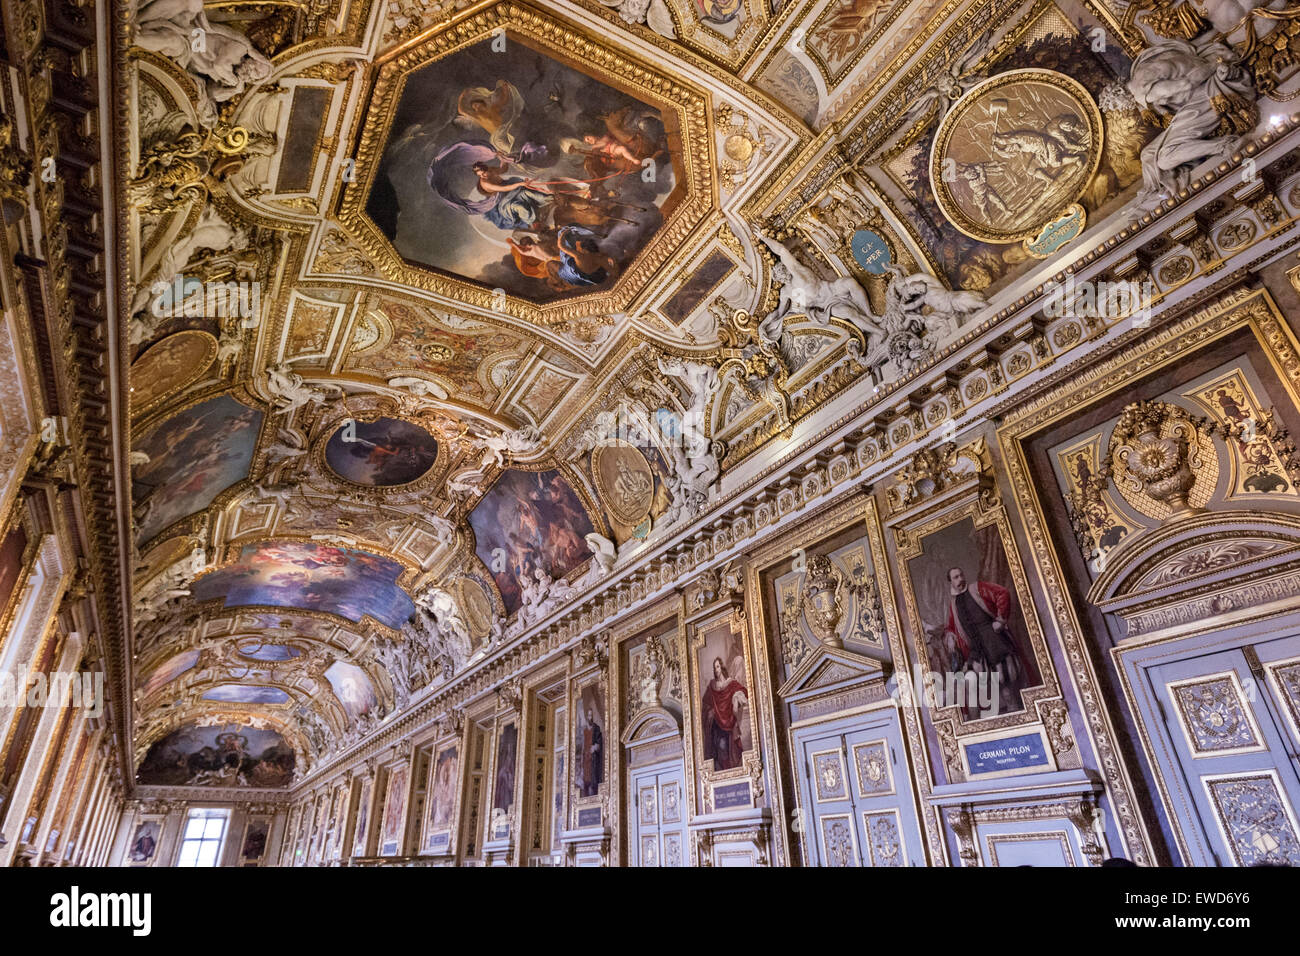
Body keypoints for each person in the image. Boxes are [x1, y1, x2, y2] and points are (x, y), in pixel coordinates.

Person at [943, 567, 1026, 714]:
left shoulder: (978, 588)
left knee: (1005, 681)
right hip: (976, 649)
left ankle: (1016, 711)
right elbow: (950, 626)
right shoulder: (953, 604)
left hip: (994, 641)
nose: (960, 579)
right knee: (982, 683)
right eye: (956, 577)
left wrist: (1000, 620)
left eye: (961, 575)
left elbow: (1003, 593)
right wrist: (950, 637)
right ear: (950, 582)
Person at [702, 657, 748, 770]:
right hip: (716, 724)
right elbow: (705, 704)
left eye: (717, 667)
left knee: (728, 748)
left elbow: (742, 690)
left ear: (722, 667)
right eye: (714, 668)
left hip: (728, 721)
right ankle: (726, 771)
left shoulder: (730, 683)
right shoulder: (712, 686)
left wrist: (737, 697)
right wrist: (710, 712)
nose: (716, 670)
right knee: (721, 748)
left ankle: (731, 771)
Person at [580, 706, 603, 797]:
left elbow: (599, 744)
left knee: (593, 782)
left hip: (593, 760)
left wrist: (595, 747)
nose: (590, 717)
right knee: (585, 782)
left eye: (591, 715)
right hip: (586, 760)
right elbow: (582, 745)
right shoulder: (584, 730)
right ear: (586, 716)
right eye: (589, 716)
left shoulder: (596, 728)